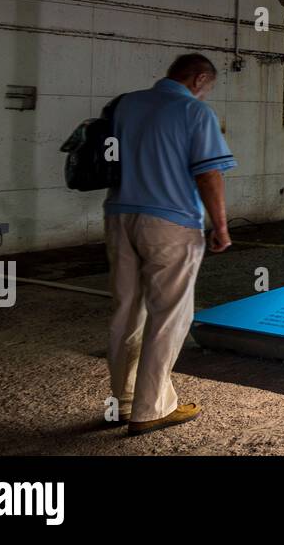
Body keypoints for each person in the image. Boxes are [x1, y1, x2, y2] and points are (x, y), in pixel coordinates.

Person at [103, 52, 236, 436]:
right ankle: (151, 409)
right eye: (208, 87)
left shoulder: (126, 104)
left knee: (126, 311)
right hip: (170, 222)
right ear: (199, 79)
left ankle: (124, 402)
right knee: (169, 315)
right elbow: (209, 174)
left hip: (118, 214)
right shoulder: (194, 112)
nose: (206, 94)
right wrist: (221, 227)